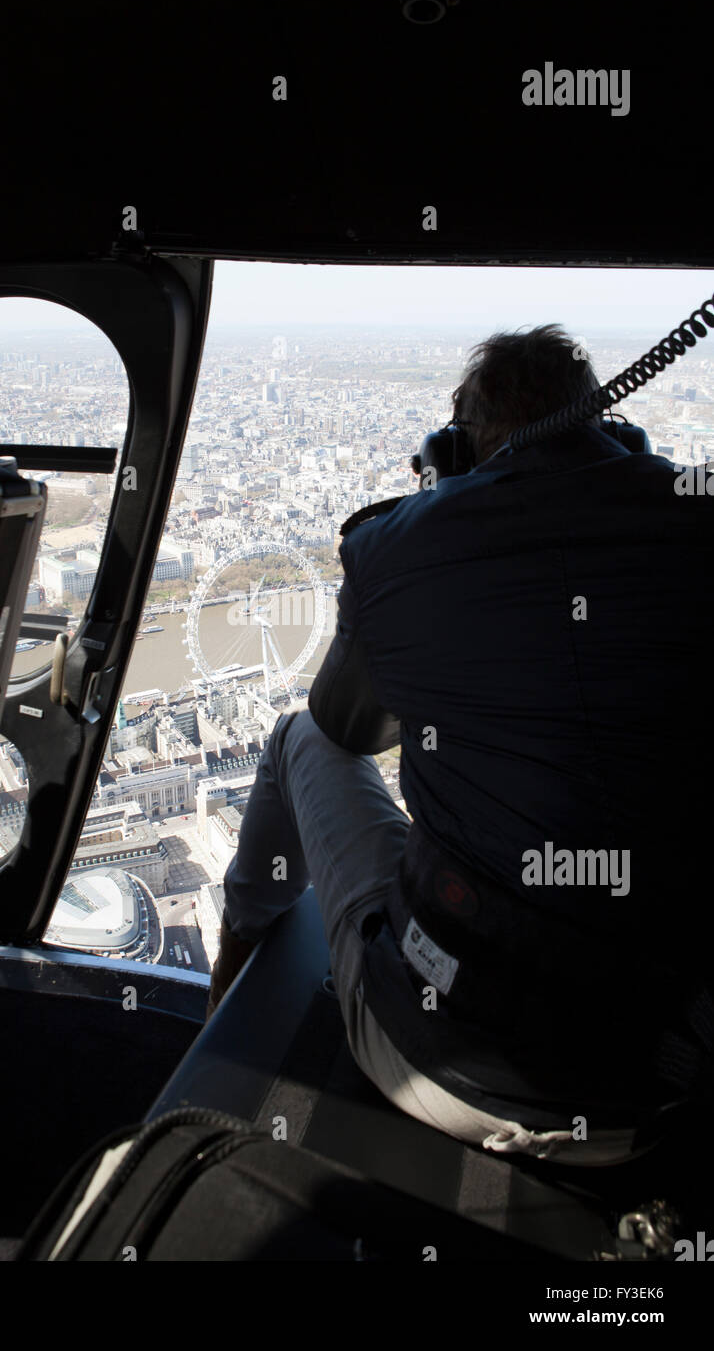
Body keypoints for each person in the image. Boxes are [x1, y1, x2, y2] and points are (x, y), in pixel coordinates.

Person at [206, 324, 714, 1165]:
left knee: (297, 737)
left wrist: (434, 519)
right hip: (669, 1087)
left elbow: (347, 729)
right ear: (610, 427)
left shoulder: (402, 545)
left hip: (441, 1061)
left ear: (463, 439)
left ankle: (228, 996)